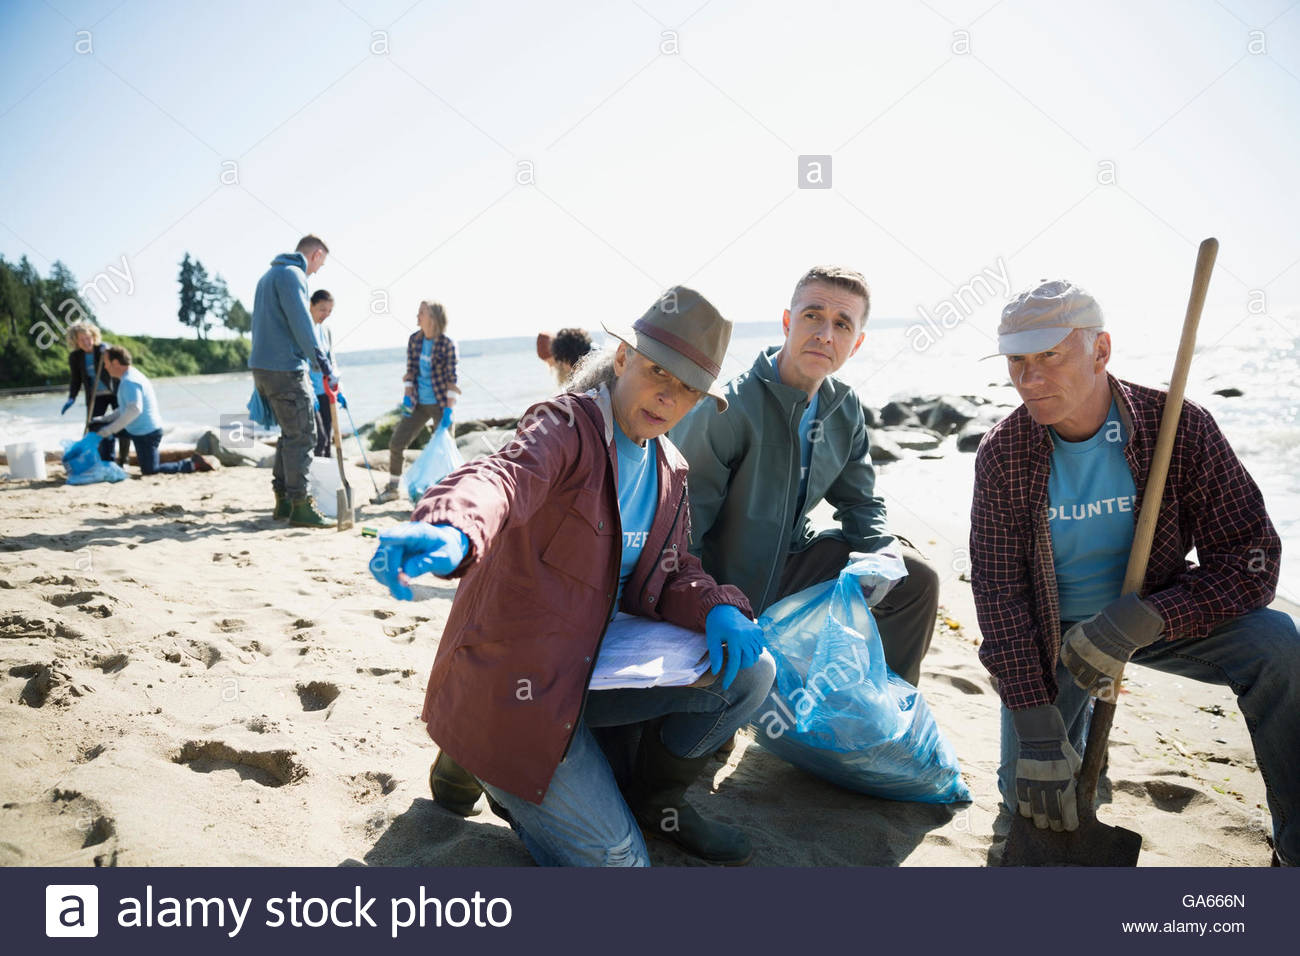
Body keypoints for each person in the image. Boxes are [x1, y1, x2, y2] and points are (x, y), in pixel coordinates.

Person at [368, 287, 776, 867]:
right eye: (659, 370)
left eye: (688, 387)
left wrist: (717, 604)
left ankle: (654, 800)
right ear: (622, 358)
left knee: (752, 671)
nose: (668, 395)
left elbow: (672, 568)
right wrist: (452, 529)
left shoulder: (671, 468)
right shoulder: (567, 424)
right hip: (523, 685)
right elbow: (504, 477)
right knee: (620, 866)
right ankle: (479, 752)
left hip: (597, 666)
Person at [970, 279, 1299, 865]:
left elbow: (1253, 558)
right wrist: (1037, 724)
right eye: (1017, 361)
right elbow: (1000, 597)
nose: (1030, 378)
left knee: (1279, 644)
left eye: (1050, 355)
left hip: (1155, 616)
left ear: (1101, 351)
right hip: (1057, 636)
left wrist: (1147, 616)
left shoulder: (1178, 427)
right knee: (1034, 797)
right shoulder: (1005, 452)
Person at [671, 266, 940, 688]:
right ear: (787, 322)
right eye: (812, 315)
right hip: (727, 585)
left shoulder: (843, 407)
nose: (825, 335)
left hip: (793, 567)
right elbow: (680, 534)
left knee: (915, 580)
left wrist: (881, 549)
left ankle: (879, 710)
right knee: (700, 735)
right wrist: (713, 603)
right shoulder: (728, 409)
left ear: (857, 343)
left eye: (842, 324)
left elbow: (860, 502)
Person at [249, 235, 338, 526]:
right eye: (320, 264)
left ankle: (284, 501)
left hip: (263, 368)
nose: (317, 271)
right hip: (284, 368)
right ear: (316, 254)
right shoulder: (292, 275)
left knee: (289, 435)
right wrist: (319, 358)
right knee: (303, 435)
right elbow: (301, 320)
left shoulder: (268, 276)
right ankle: (301, 505)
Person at [373, 300, 460, 503]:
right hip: (418, 403)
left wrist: (449, 410)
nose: (417, 315)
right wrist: (407, 397)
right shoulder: (415, 340)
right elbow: (411, 371)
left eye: (422, 312)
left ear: (433, 317)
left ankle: (446, 493)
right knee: (396, 442)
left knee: (444, 450)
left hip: (441, 404)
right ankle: (393, 488)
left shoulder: (447, 343)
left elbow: (452, 379)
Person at [92, 346, 216, 475]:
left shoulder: (130, 381)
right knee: (99, 427)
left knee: (150, 471)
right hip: (134, 429)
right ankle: (108, 467)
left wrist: (110, 429)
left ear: (116, 363)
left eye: (106, 363)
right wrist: (105, 420)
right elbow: (125, 408)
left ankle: (192, 464)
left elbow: (134, 410)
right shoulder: (129, 376)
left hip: (146, 434)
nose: (105, 367)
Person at [62, 321, 130, 465]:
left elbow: (119, 365)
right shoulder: (75, 357)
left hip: (114, 391)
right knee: (94, 426)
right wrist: (71, 397)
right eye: (82, 339)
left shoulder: (103, 350)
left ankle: (124, 460)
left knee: (123, 421)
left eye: (88, 337)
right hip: (95, 395)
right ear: (76, 342)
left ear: (93, 336)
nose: (86, 342)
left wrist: (108, 353)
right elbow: (76, 379)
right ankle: (104, 460)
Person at [307, 290, 343, 458]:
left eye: (329, 311)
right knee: (319, 437)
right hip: (310, 392)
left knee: (328, 438)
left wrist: (338, 385)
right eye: (322, 309)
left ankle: (326, 478)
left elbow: (331, 359)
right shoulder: (304, 329)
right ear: (311, 305)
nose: (326, 314)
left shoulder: (325, 330)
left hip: (326, 392)